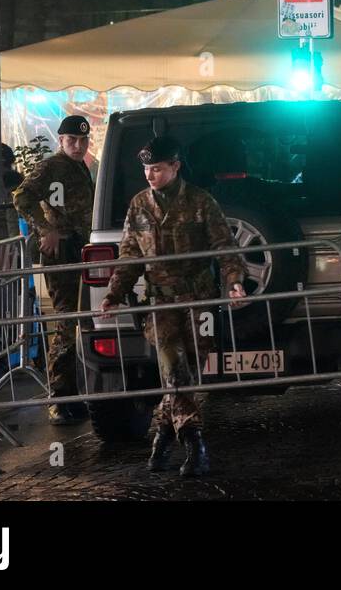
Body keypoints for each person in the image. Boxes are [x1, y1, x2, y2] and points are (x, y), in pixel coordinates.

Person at [98, 135, 247, 477]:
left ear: (176, 167)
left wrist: (235, 281)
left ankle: (162, 440)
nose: (151, 175)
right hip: (160, 302)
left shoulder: (200, 201)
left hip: (199, 301)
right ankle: (196, 447)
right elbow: (130, 256)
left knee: (185, 374)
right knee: (174, 367)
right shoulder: (139, 205)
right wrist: (113, 294)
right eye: (147, 169)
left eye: (158, 168)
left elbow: (224, 245)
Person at [12, 115, 95, 425]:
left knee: (79, 319)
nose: (78, 144)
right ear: (61, 141)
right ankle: (58, 398)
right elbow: (22, 197)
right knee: (66, 321)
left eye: (83, 140)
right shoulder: (51, 166)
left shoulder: (79, 167)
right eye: (72, 139)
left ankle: (72, 394)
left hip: (80, 250)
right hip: (61, 253)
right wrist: (46, 229)